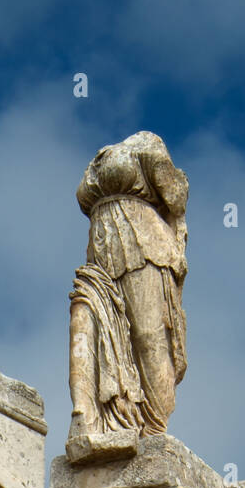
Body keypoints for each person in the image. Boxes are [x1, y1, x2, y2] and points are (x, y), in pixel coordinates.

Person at [67, 131, 188, 464]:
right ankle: (91, 421)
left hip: (144, 244)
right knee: (85, 311)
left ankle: (153, 431)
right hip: (102, 248)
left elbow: (175, 199)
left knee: (148, 337)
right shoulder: (100, 157)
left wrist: (160, 167)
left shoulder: (148, 144)